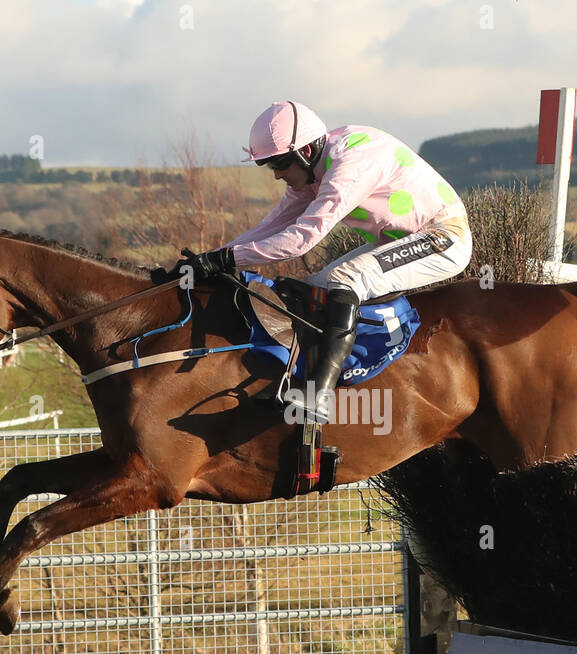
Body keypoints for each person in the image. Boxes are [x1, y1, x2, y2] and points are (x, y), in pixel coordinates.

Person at [169, 100, 472, 423]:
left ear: (306, 152)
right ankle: (294, 377)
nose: (277, 175)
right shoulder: (314, 168)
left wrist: (226, 259)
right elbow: (272, 226)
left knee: (347, 278)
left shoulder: (349, 166)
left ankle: (320, 395)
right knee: (314, 287)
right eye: (271, 167)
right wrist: (211, 260)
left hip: (443, 237)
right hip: (404, 238)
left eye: (279, 165)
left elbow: (301, 239)